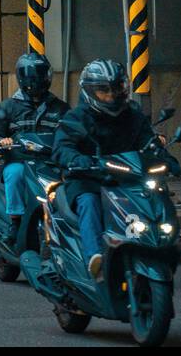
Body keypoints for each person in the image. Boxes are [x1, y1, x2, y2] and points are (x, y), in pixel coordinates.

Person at [52, 60, 166, 280]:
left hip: (127, 180)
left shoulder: (133, 116)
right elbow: (62, 148)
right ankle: (95, 257)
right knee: (88, 202)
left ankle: (162, 242)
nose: (111, 95)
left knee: (155, 195)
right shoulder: (76, 118)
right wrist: (78, 159)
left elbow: (148, 142)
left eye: (117, 88)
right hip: (89, 178)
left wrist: (164, 157)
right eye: (104, 90)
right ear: (90, 91)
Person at [0, 53, 69, 241]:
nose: (35, 80)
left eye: (39, 74)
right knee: (14, 174)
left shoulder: (60, 108)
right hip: (19, 160)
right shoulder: (8, 107)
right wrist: (0, 143)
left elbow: (73, 134)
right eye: (30, 76)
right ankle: (16, 220)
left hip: (50, 163)